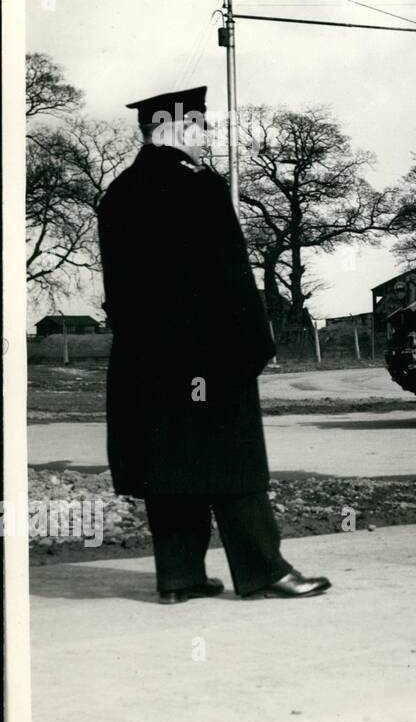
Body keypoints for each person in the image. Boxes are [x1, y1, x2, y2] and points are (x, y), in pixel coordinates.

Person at [98, 87, 331, 603]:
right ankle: (264, 571)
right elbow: (229, 280)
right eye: (200, 129)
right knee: (233, 462)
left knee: (169, 464)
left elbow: (120, 291)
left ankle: (179, 579)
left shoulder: (120, 191)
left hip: (146, 360)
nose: (205, 139)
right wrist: (252, 346)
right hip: (208, 357)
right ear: (179, 130)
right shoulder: (199, 187)